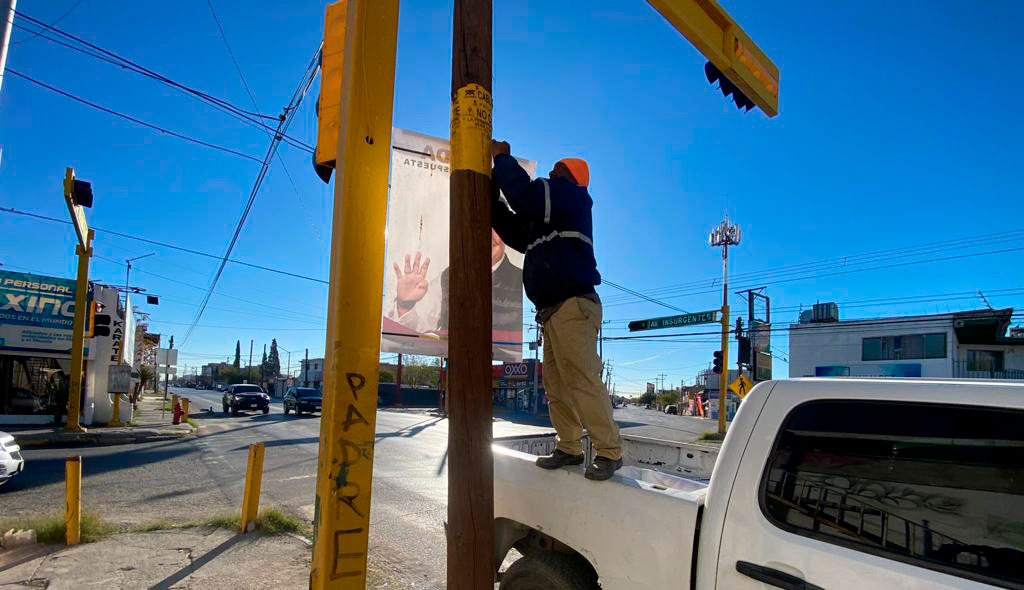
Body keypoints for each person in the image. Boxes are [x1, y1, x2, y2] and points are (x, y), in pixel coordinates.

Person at [490, 139, 623, 481]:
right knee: (558, 386)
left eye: (558, 170)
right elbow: (513, 226)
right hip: (554, 311)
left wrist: (502, 160)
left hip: (572, 305)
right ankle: (569, 447)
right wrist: (491, 192)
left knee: (580, 378)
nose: (551, 173)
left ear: (572, 176)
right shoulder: (548, 222)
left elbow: (528, 197)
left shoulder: (573, 196)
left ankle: (609, 452)